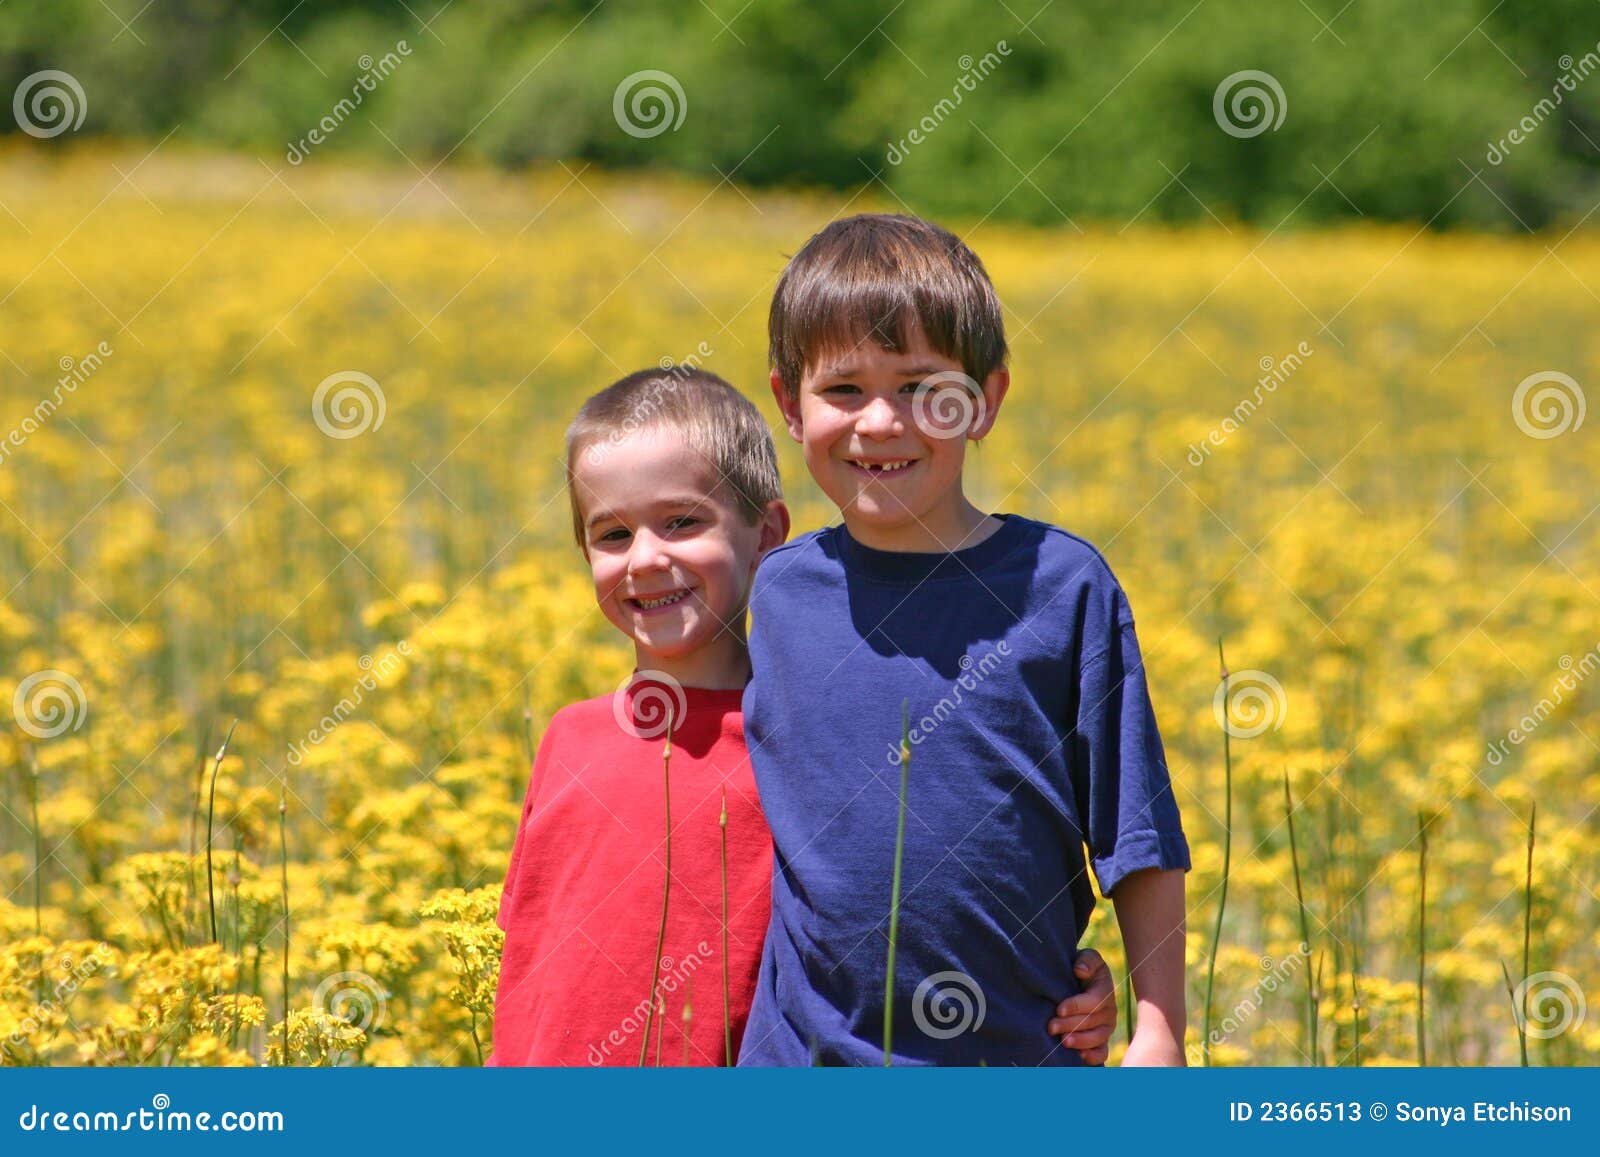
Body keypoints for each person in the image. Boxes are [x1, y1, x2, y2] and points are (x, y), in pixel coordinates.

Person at [488, 365, 1123, 1065]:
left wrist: (1058, 993)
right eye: (611, 534)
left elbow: (907, 916)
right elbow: (526, 958)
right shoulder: (566, 739)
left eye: (681, 521)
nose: (645, 558)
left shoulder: (804, 739)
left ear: (767, 536)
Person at [737, 214, 1192, 1066]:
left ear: (985, 400)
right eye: (843, 390)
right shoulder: (775, 593)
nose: (881, 422)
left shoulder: (1063, 586)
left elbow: (1138, 833)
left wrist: (1157, 1027)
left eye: (922, 388)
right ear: (787, 406)